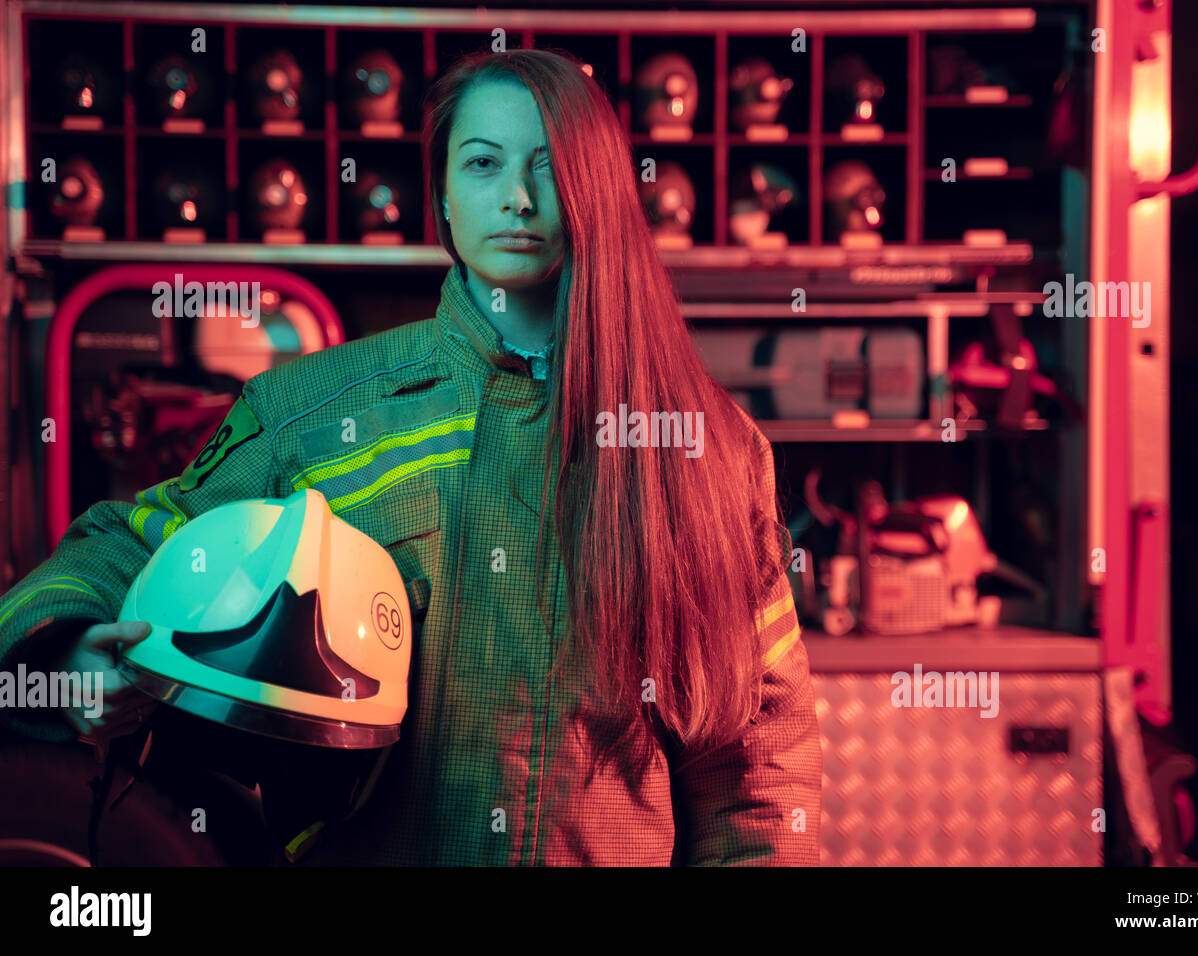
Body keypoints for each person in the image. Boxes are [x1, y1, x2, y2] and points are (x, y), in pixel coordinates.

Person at [0, 48, 822, 866]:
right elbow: (128, 536)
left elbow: (757, 772)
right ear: (442, 200)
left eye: (550, 166)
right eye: (483, 164)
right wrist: (66, 650)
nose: (519, 197)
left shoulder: (706, 453)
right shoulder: (313, 415)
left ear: (599, 193)